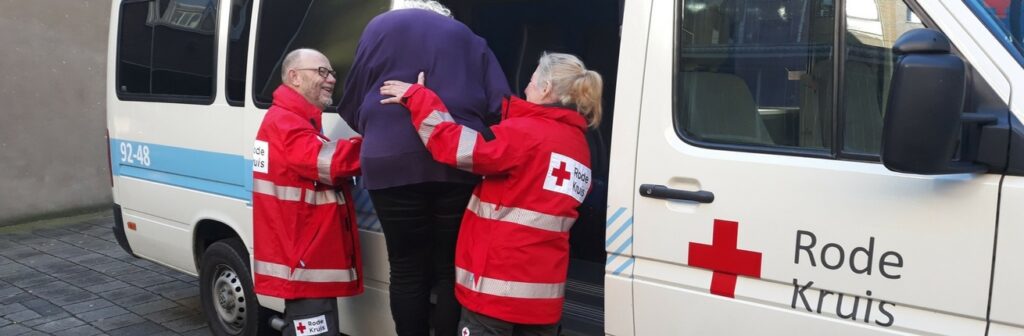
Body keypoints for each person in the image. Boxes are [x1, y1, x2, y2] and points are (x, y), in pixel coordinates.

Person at [380, 52, 603, 336]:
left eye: (532, 81)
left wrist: (420, 98)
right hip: (544, 296)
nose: (525, 89)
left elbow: (455, 147)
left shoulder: (525, 133)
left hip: (498, 288)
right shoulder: (579, 145)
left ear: (546, 89)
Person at [336, 1, 511, 335]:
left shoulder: (377, 28)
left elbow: (354, 96)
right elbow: (499, 105)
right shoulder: (469, 37)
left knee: (405, 267)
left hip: (389, 160)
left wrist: (378, 129)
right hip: (456, 163)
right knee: (450, 268)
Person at [252, 48, 363, 336]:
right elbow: (331, 163)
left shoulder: (293, 118)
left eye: (332, 73)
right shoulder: (287, 123)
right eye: (321, 72)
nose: (330, 80)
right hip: (304, 261)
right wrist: (381, 143)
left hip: (303, 258)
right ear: (294, 77)